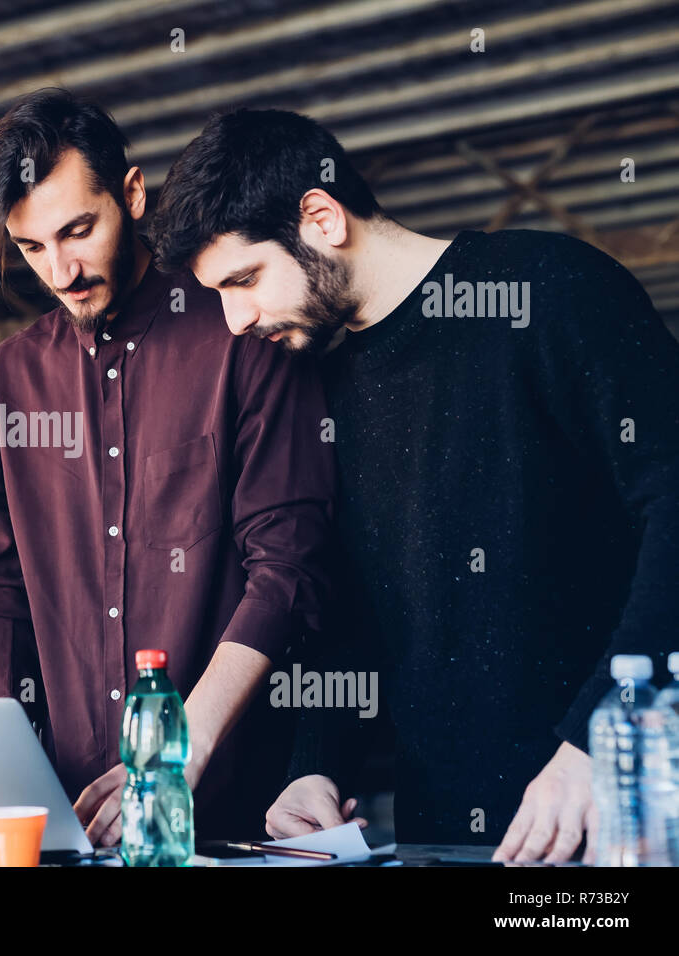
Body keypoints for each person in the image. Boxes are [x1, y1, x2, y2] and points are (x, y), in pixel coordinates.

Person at [153, 106, 679, 862]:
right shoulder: (324, 391)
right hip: (442, 838)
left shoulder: (555, 289)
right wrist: (314, 767)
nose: (236, 320)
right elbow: (354, 612)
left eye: (245, 278)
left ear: (322, 217)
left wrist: (599, 741)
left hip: (617, 822)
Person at [0, 89, 335, 844]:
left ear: (131, 196)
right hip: (68, 819)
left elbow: (289, 566)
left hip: (234, 813)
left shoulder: (241, 331)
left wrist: (177, 754)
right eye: (33, 248)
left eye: (78, 230)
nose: (61, 271)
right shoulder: (3, 385)